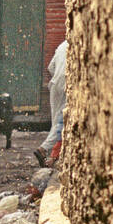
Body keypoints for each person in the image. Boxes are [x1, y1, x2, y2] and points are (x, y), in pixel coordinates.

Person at [35, 39, 67, 169]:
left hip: (54, 85)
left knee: (56, 121)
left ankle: (52, 153)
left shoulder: (62, 45)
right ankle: (44, 148)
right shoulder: (80, 43)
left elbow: (50, 67)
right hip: (66, 83)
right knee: (62, 121)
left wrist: (58, 76)